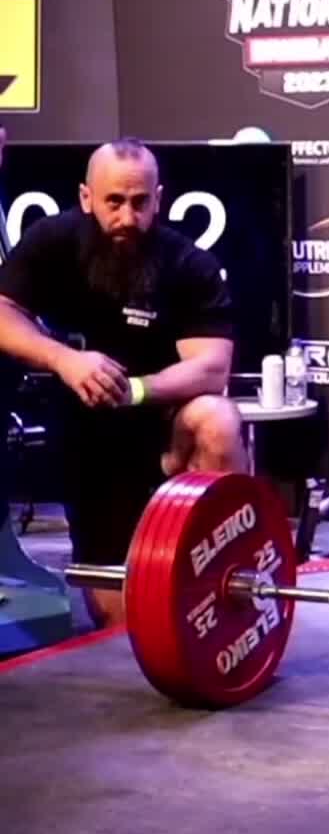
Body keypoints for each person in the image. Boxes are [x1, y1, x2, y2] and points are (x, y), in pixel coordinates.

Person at [0, 138, 246, 628]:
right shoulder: (52, 242)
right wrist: (65, 360)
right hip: (91, 441)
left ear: (159, 199)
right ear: (86, 197)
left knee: (217, 418)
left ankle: (223, 571)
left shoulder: (187, 263)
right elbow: (3, 313)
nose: (127, 217)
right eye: (113, 202)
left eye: (140, 202)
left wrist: (133, 389)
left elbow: (212, 367)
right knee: (121, 626)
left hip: (165, 433)